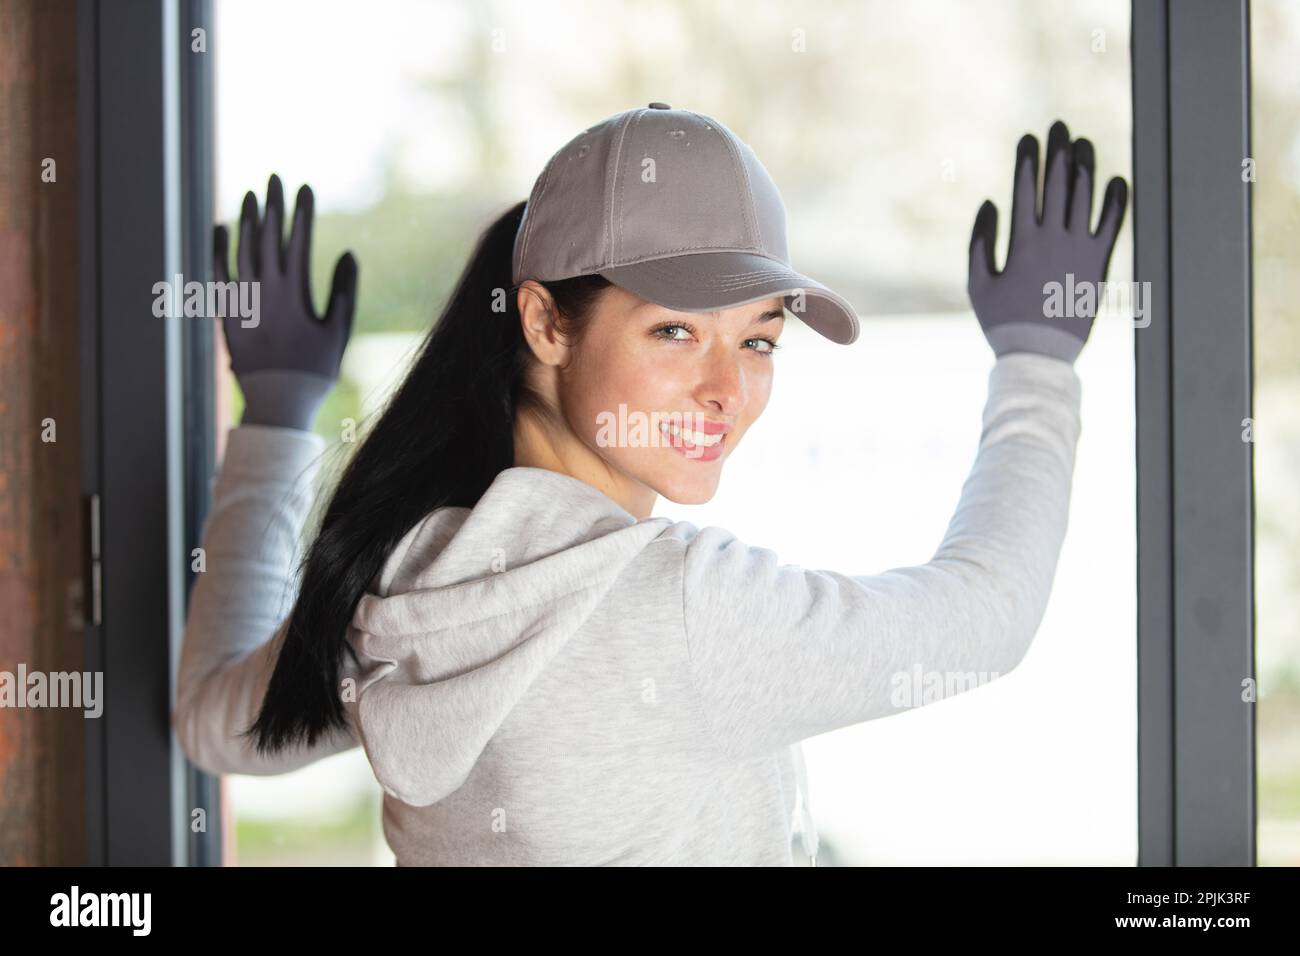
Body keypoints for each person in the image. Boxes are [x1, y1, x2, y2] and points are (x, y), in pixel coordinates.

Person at [172, 104, 1127, 866]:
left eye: (757, 338)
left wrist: (276, 413)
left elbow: (212, 721)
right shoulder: (683, 606)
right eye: (676, 331)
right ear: (544, 323)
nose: (727, 389)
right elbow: (986, 614)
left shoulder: (401, 584)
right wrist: (1038, 360)